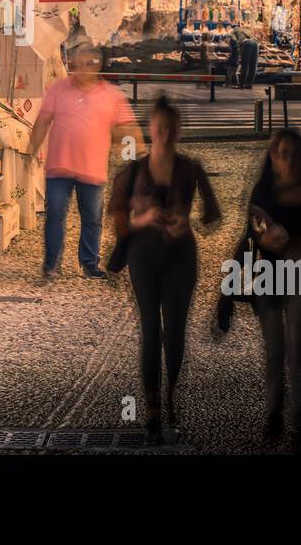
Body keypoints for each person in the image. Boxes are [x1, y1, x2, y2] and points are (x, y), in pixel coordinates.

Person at [108, 95, 221, 444]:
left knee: (174, 330)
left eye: (172, 129)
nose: (166, 135)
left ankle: (171, 390)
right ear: (151, 130)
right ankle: (153, 406)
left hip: (180, 256)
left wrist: (188, 223)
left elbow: (212, 214)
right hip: (143, 255)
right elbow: (117, 217)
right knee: (150, 330)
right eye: (160, 129)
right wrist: (143, 217)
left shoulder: (190, 168)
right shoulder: (133, 171)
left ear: (178, 131)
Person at [28, 43, 142, 279]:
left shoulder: (112, 95)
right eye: (78, 64)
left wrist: (136, 155)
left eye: (88, 63)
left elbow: (128, 128)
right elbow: (42, 121)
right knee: (55, 215)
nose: (82, 69)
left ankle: (89, 263)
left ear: (98, 65)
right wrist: (31, 150)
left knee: (92, 218)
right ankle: (51, 264)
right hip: (59, 166)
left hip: (93, 169)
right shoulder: (57, 90)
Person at [246, 129, 301, 451]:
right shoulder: (261, 194)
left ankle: (298, 417)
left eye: (292, 154)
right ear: (272, 158)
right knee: (275, 349)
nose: (287, 160)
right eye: (281, 153)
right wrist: (269, 238)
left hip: (300, 271)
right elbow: (256, 233)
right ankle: (273, 412)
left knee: (297, 349)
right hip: (268, 274)